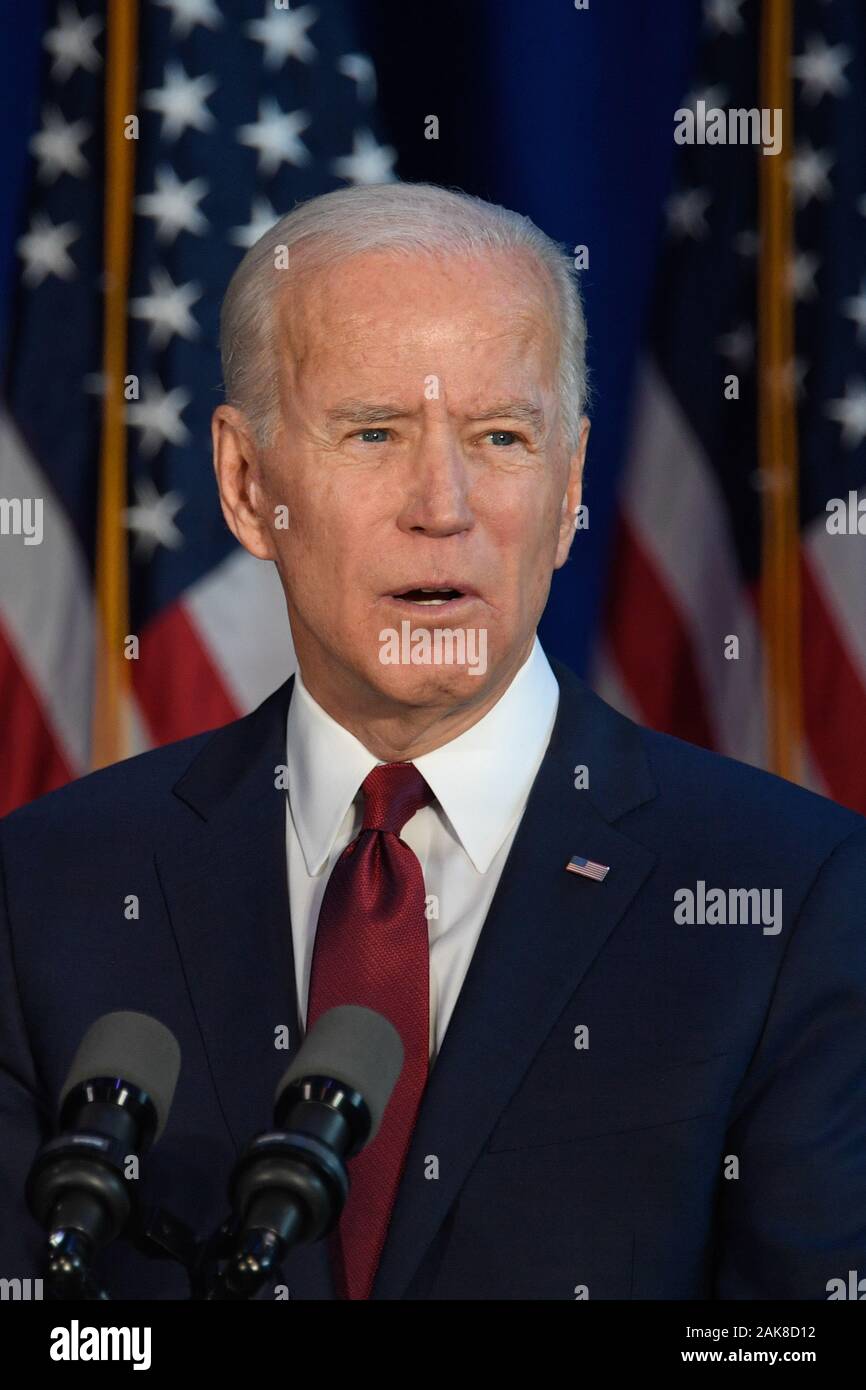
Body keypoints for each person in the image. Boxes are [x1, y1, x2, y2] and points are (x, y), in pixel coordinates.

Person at [1, 182, 864, 1300]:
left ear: (565, 494)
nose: (443, 504)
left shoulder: (790, 897)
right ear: (246, 482)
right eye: (375, 432)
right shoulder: (48, 890)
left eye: (500, 436)